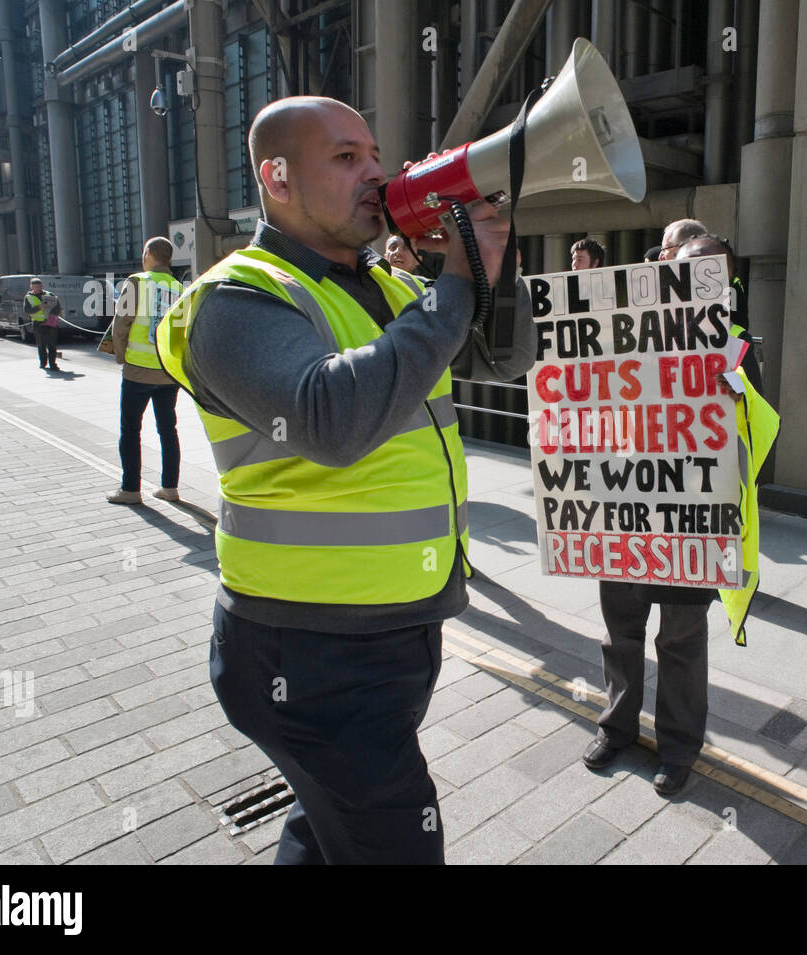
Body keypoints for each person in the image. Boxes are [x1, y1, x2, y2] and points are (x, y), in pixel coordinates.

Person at [155, 95, 534, 864]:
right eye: (345, 157)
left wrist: (495, 266)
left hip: (387, 632)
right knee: (395, 837)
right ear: (278, 177)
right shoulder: (234, 300)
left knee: (326, 823)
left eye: (374, 153)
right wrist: (455, 286)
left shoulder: (388, 287)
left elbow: (509, 358)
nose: (376, 173)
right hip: (307, 651)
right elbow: (332, 419)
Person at [581, 229, 777, 796]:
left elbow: (760, 448)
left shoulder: (737, 348)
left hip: (693, 520)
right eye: (685, 268)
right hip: (623, 507)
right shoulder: (625, 331)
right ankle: (616, 727)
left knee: (681, 641)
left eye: (708, 273)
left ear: (726, 282)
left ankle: (678, 748)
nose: (694, 281)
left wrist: (734, 402)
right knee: (620, 632)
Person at [106, 237, 185, 506]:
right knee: (168, 429)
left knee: (130, 429)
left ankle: (130, 490)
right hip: (167, 371)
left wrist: (120, 356)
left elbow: (121, 323)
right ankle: (170, 488)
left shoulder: (137, 282)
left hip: (138, 371)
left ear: (148, 253)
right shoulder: (179, 287)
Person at [26, 277, 61, 371]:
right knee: (41, 345)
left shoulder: (50, 294)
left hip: (50, 323)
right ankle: (43, 363)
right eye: (35, 286)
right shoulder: (28, 297)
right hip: (38, 324)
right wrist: (39, 307)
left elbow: (57, 308)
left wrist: (50, 319)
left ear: (42, 286)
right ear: (31, 287)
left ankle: (53, 364)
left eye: (39, 286)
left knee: (52, 345)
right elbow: (27, 310)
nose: (38, 288)